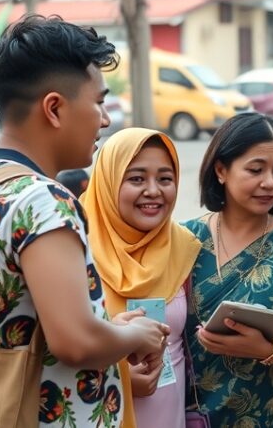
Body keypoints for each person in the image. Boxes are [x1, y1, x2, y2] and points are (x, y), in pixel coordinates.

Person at [0, 15, 168, 427]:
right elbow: (76, 342)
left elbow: (16, 323)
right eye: (99, 101)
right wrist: (136, 336)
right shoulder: (43, 200)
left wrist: (107, 328)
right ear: (54, 108)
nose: (104, 119)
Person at [183, 112, 273, 427]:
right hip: (189, 413)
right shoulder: (183, 241)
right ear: (221, 170)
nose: (270, 182)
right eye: (255, 169)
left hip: (269, 414)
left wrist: (268, 349)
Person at [82, 128, 202, 428]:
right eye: (136, 179)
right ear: (108, 182)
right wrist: (116, 377)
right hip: (98, 413)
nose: (153, 190)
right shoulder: (74, 246)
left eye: (165, 178)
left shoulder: (183, 246)